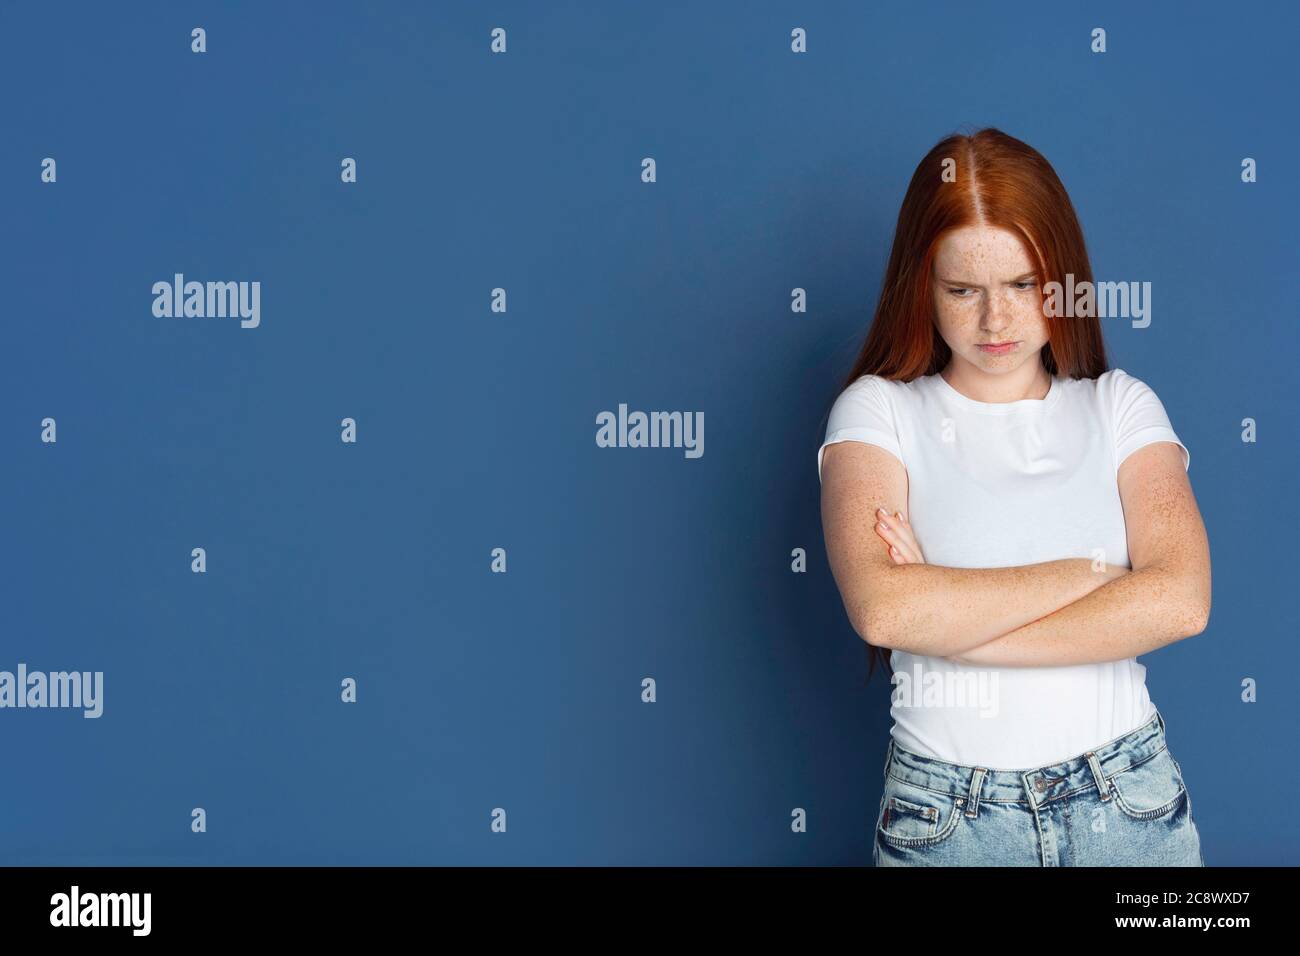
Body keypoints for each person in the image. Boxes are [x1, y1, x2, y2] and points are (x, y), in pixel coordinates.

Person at [817, 128, 1211, 866]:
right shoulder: (878, 415)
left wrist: (954, 621)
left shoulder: (1121, 407)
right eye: (962, 290)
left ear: (1061, 278)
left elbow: (1181, 601)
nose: (995, 320)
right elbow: (884, 610)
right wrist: (1088, 579)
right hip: (948, 818)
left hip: (1127, 802)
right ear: (921, 286)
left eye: (1022, 286)